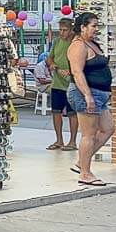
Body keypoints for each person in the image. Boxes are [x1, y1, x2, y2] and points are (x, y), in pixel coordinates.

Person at [67, 12, 114, 186]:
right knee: (89, 134)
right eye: (93, 26)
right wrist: (88, 96)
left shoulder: (91, 44)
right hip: (86, 94)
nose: (96, 29)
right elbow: (77, 72)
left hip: (99, 94)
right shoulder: (78, 46)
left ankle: (82, 161)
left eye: (97, 26)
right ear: (82, 27)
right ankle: (85, 173)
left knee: (108, 128)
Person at [45, 18, 79, 152]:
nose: (62, 33)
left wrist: (72, 71)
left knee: (72, 113)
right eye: (60, 30)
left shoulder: (76, 43)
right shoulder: (57, 41)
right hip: (57, 82)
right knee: (56, 112)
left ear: (71, 30)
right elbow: (49, 57)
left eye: (65, 30)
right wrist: (51, 64)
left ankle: (72, 141)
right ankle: (59, 140)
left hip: (71, 83)